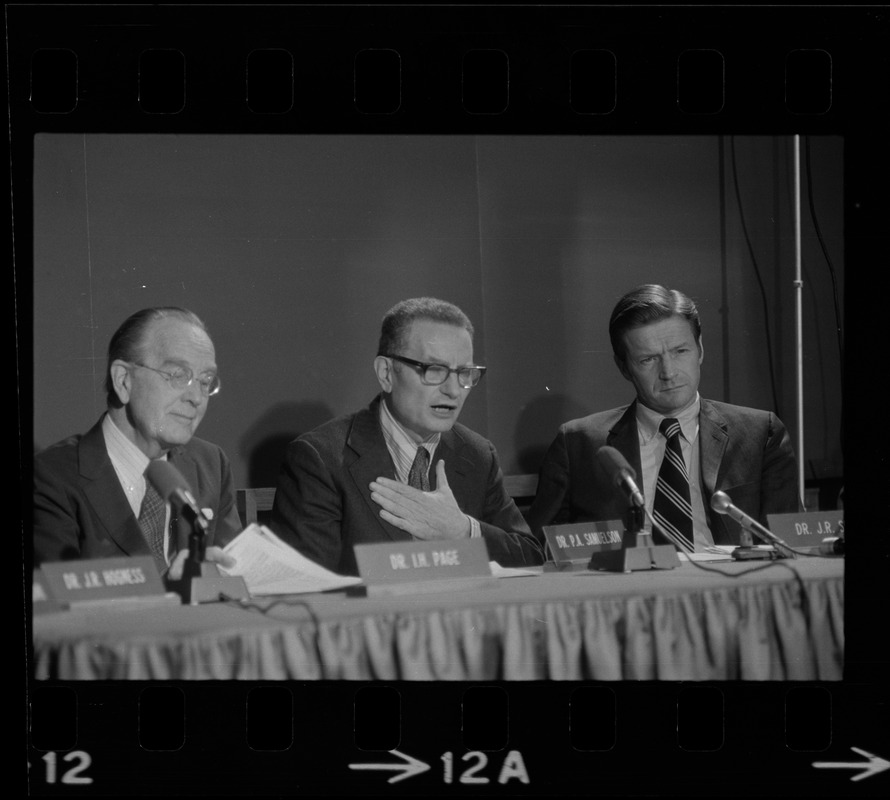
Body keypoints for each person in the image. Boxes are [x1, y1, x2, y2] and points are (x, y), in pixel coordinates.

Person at [271, 297, 544, 575]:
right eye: (434, 370)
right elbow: (309, 588)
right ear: (386, 373)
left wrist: (463, 531)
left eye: (464, 373)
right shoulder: (321, 459)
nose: (453, 390)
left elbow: (531, 557)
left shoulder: (476, 454)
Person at [528, 284, 802, 551]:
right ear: (623, 367)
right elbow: (539, 549)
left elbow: (790, 545)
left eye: (680, 352)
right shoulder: (579, 444)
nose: (668, 372)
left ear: (700, 350)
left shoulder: (759, 434)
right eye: (648, 360)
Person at [33, 307, 240, 580]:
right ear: (124, 381)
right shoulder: (51, 477)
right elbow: (55, 605)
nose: (196, 397)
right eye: (178, 375)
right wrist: (168, 592)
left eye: (205, 382)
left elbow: (234, 573)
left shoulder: (210, 463)